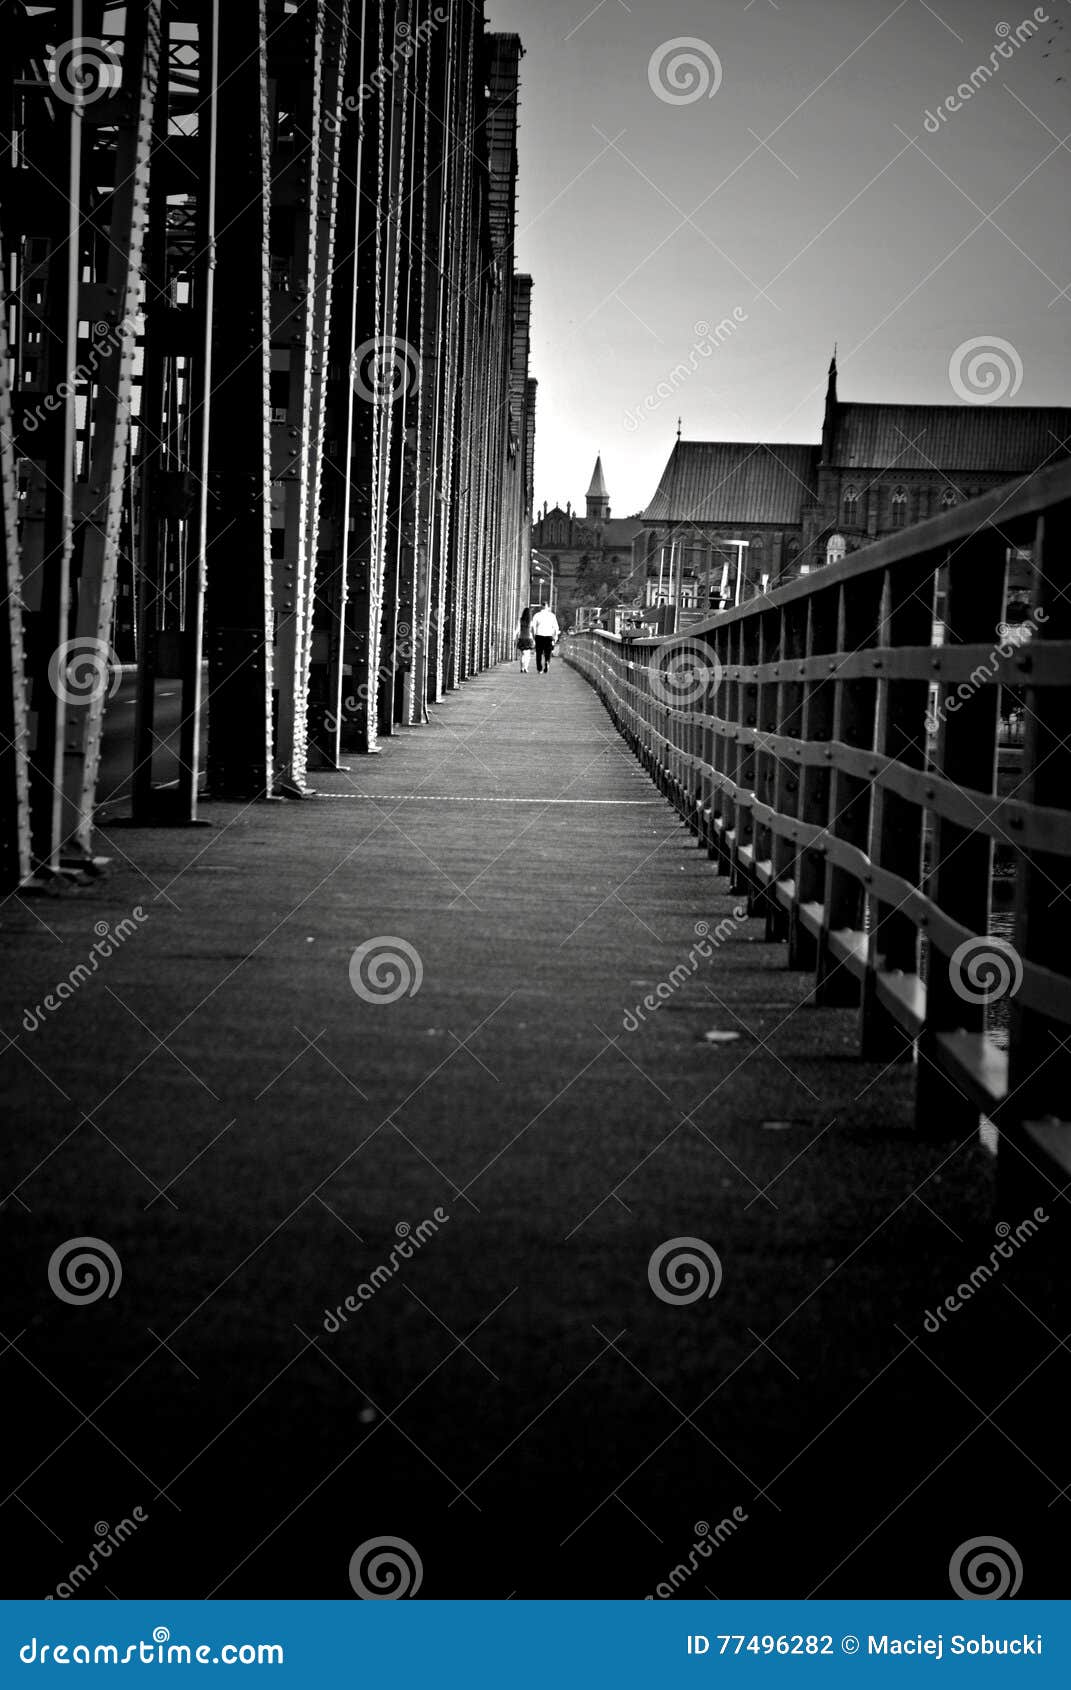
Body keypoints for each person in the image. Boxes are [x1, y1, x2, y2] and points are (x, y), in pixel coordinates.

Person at [530, 603, 560, 674]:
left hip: (539, 635)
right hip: (549, 636)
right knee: (548, 652)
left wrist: (534, 635)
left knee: (539, 653)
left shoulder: (537, 615)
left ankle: (539, 668)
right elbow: (556, 627)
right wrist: (555, 637)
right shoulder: (552, 616)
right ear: (547, 607)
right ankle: (547, 662)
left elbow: (533, 626)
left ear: (541, 607)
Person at [515, 607, 534, 673]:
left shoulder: (520, 620)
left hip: (521, 638)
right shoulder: (530, 621)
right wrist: (534, 639)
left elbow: (517, 629)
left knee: (522, 654)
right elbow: (532, 631)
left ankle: (522, 668)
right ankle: (525, 668)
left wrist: (514, 637)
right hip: (528, 639)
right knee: (527, 655)